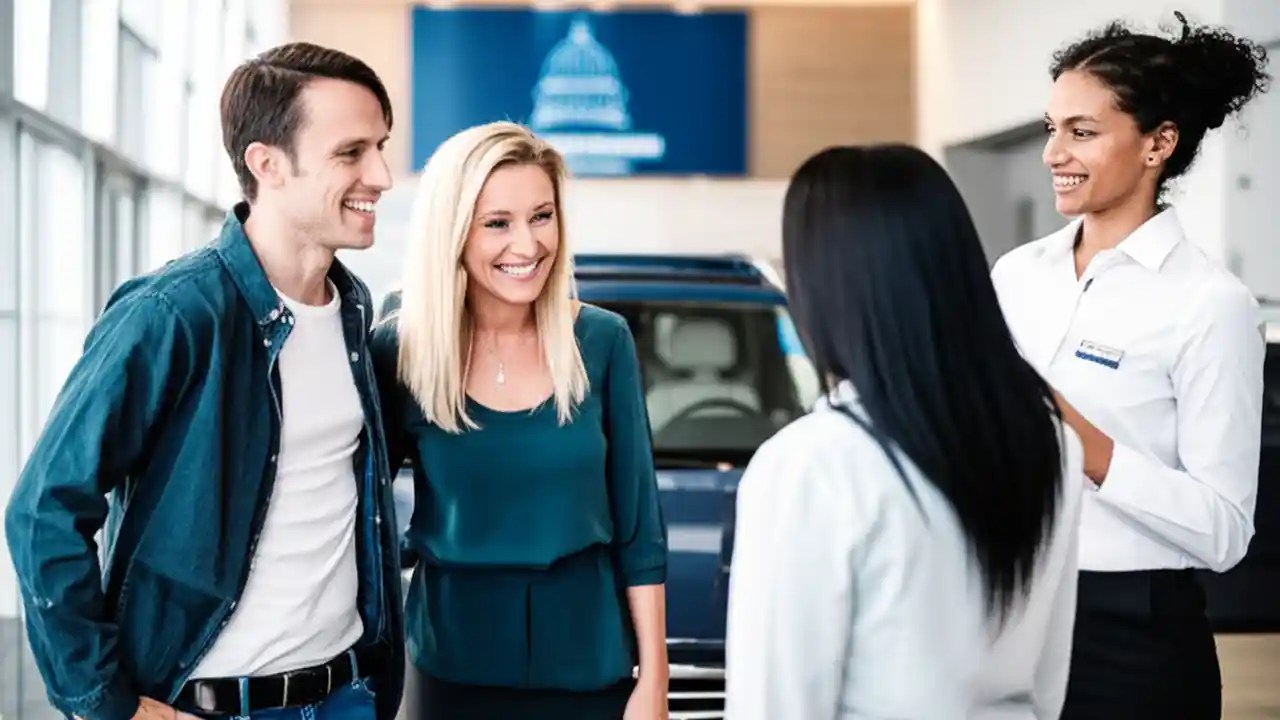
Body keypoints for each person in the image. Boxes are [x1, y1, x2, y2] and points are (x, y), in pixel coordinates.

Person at [4, 42, 406, 720]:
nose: (383, 175)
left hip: (345, 695)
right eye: (352, 152)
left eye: (382, 146)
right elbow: (43, 511)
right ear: (267, 164)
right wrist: (110, 705)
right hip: (209, 705)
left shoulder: (353, 309)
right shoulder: (172, 314)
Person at [724, 145, 1085, 719]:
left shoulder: (813, 462)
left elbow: (776, 705)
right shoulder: (1050, 438)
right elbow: (1049, 678)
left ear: (828, 286)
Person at [990, 13, 1271, 719]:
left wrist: (1088, 447)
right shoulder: (1017, 275)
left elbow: (1225, 530)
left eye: (1081, 132)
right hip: (1005, 613)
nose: (1054, 152)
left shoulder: (1210, 302)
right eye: (1051, 128)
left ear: (1159, 143)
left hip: (1130, 634)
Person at [370, 121, 669, 719]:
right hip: (449, 670)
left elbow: (640, 528)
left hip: (589, 668)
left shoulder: (601, 341)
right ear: (453, 232)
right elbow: (353, 515)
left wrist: (654, 682)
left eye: (542, 216)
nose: (528, 245)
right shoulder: (400, 350)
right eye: (497, 223)